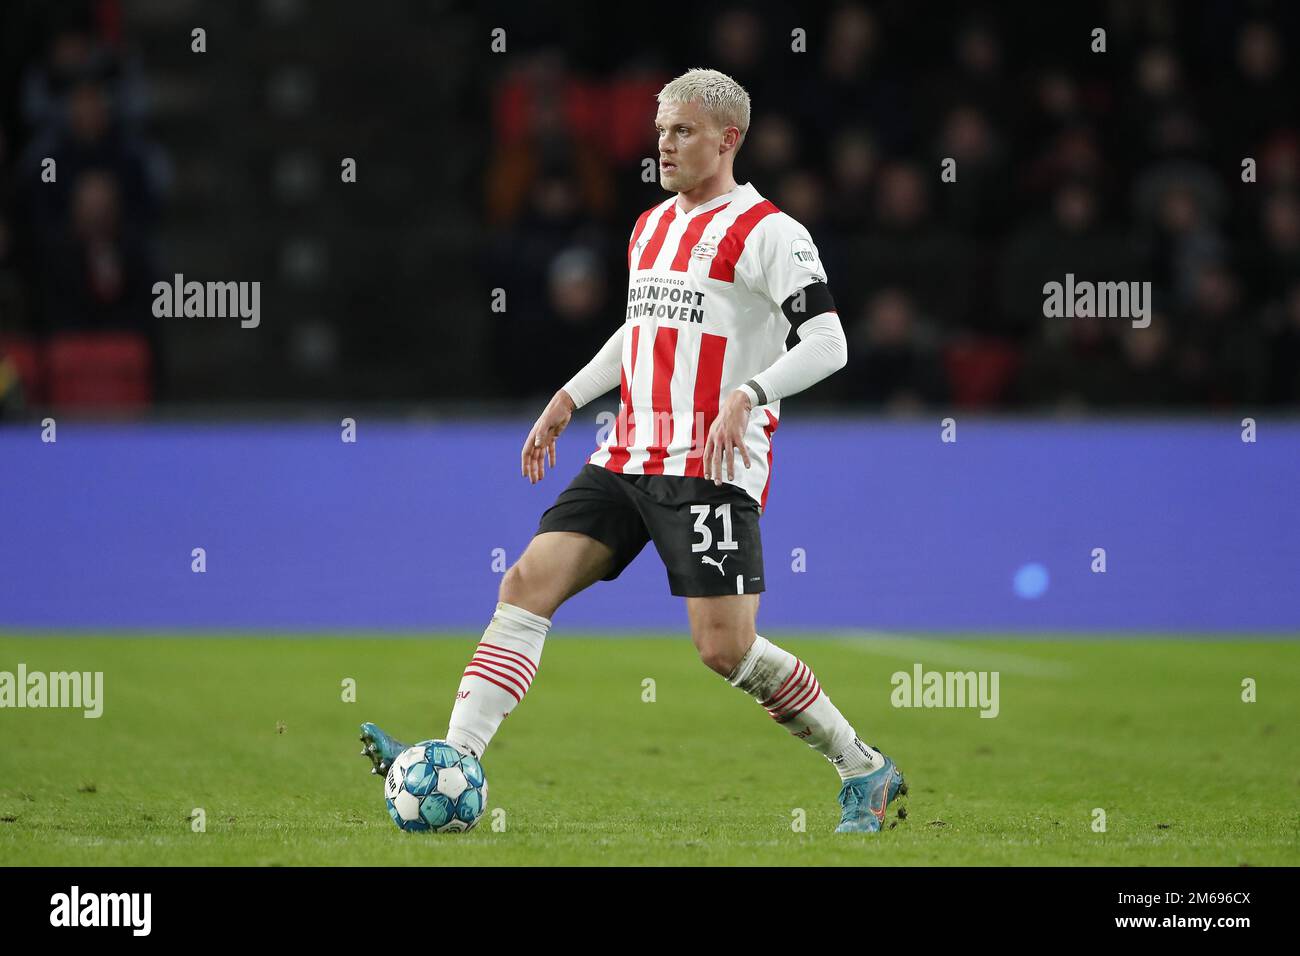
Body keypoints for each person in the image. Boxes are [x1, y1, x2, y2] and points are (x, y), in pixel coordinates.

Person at [361, 68, 906, 833]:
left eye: (681, 131)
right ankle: (455, 759)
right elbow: (642, 332)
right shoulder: (649, 226)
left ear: (728, 138)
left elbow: (830, 342)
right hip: (627, 452)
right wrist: (568, 398)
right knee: (525, 584)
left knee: (725, 649)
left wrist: (748, 393)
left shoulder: (771, 234)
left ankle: (864, 769)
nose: (664, 146)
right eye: (660, 132)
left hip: (709, 468)